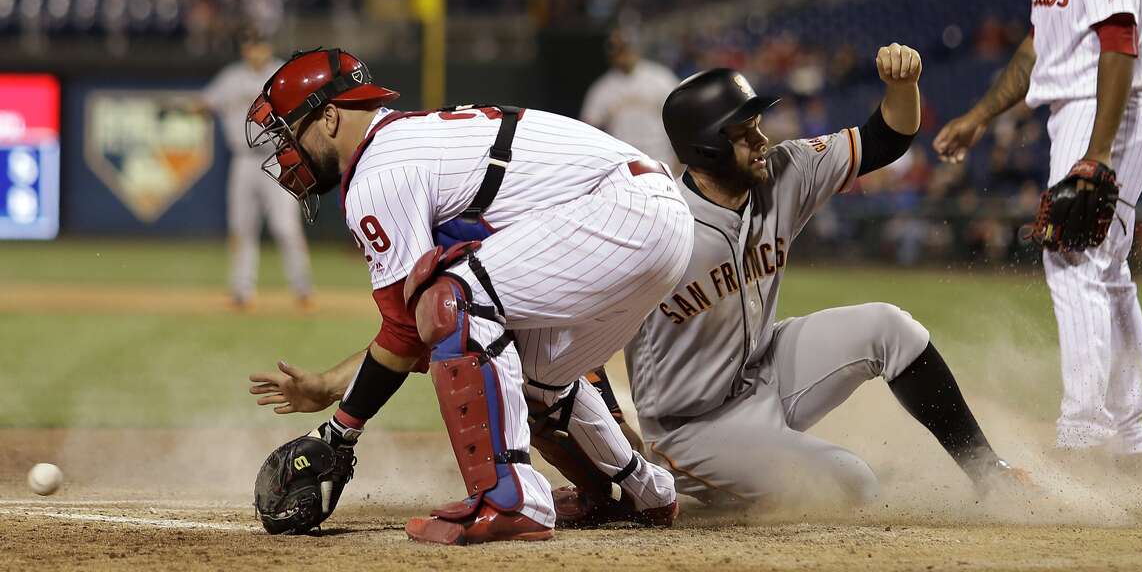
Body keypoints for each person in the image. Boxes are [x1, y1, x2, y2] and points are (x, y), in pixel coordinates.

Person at [549, 47, 1033, 523]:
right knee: (853, 482)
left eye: (758, 125)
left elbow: (885, 139)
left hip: (765, 374)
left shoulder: (784, 171)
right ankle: (698, 483)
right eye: (744, 133)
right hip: (688, 428)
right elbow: (574, 332)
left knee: (890, 328)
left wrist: (903, 88)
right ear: (706, 148)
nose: (762, 140)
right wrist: (614, 430)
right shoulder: (655, 226)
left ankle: (990, 473)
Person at [242, 48, 693, 544]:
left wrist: (341, 429)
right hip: (649, 216)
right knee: (527, 369)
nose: (286, 153)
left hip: (625, 214)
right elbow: (422, 333)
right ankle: (642, 493)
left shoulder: (379, 170)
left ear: (328, 117)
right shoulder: (409, 144)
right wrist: (335, 386)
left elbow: (415, 327)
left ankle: (507, 499)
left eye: (291, 131)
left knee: (453, 296)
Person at [933, 0, 1142, 458]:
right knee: (1105, 267)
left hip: (1107, 105)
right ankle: (1131, 435)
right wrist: (980, 116)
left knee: (1072, 256)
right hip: (1086, 103)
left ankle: (1087, 437)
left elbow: (1119, 41)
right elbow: (1042, 43)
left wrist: (1096, 153)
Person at [198, 29, 313, 311]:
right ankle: (241, 291)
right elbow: (205, 104)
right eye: (250, 45)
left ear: (267, 47)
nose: (255, 50)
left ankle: (303, 289)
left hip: (278, 157)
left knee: (285, 227)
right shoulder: (231, 78)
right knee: (241, 227)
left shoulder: (282, 75)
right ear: (244, 49)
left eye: (259, 45)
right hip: (243, 160)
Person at [581, 29, 680, 170]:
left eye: (626, 48)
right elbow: (588, 128)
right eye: (618, 50)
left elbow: (681, 117)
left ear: (635, 49)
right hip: (623, 163)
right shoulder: (602, 88)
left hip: (661, 157)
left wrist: (680, 159)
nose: (623, 55)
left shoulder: (661, 77)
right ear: (611, 55)